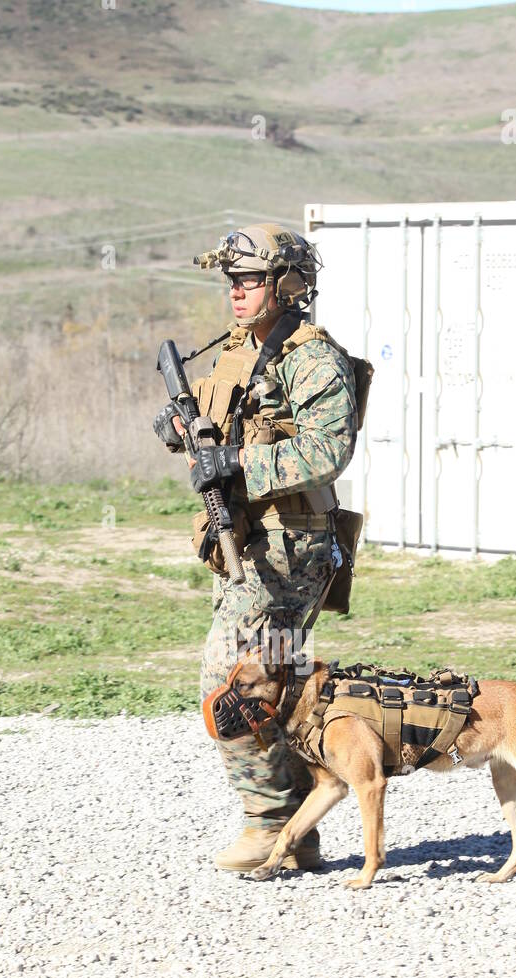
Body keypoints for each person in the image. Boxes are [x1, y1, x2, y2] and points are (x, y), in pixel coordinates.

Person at [153, 224, 359, 872]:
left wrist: (236, 462)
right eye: (232, 281)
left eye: (250, 280)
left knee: (230, 681)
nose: (236, 292)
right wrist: (181, 431)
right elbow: (216, 429)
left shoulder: (312, 358)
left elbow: (329, 450)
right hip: (244, 543)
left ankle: (269, 821)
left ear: (289, 285)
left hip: (290, 549)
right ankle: (299, 832)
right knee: (277, 686)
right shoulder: (240, 351)